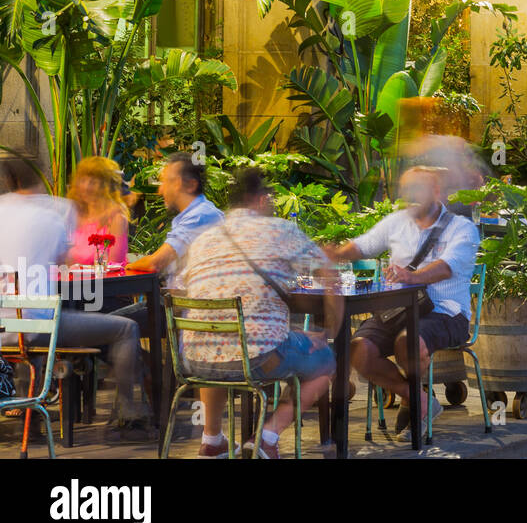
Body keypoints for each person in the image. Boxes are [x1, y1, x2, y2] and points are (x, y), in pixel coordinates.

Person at [180, 168, 341, 458]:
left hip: (194, 361)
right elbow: (329, 274)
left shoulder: (204, 239)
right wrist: (329, 332)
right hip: (258, 358)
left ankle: (212, 439)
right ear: (260, 200)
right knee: (326, 361)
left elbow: (184, 288)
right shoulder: (280, 229)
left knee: (217, 342)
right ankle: (267, 436)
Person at [0, 157, 152, 438]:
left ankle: (29, 420)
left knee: (28, 328)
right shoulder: (54, 213)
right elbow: (65, 261)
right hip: (39, 323)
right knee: (125, 328)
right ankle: (130, 416)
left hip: (5, 328)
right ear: (37, 179)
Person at [326, 166, 479, 435]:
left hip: (446, 313)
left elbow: (446, 267)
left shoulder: (462, 228)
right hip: (396, 310)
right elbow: (364, 244)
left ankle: (414, 405)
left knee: (407, 342)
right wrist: (335, 254)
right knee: (359, 349)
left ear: (435, 191)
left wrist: (411, 277)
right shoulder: (397, 221)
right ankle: (418, 397)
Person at [125, 153, 223, 285]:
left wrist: (127, 267)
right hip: (183, 300)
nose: (160, 190)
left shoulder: (200, 216)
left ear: (191, 185)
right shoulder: (195, 214)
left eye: (167, 182)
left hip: (194, 303)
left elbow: (156, 263)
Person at [66, 156, 130, 266]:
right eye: (83, 180)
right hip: (71, 281)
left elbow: (114, 266)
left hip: (102, 282)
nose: (86, 187)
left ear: (106, 186)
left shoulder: (116, 219)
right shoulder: (75, 213)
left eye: (93, 182)